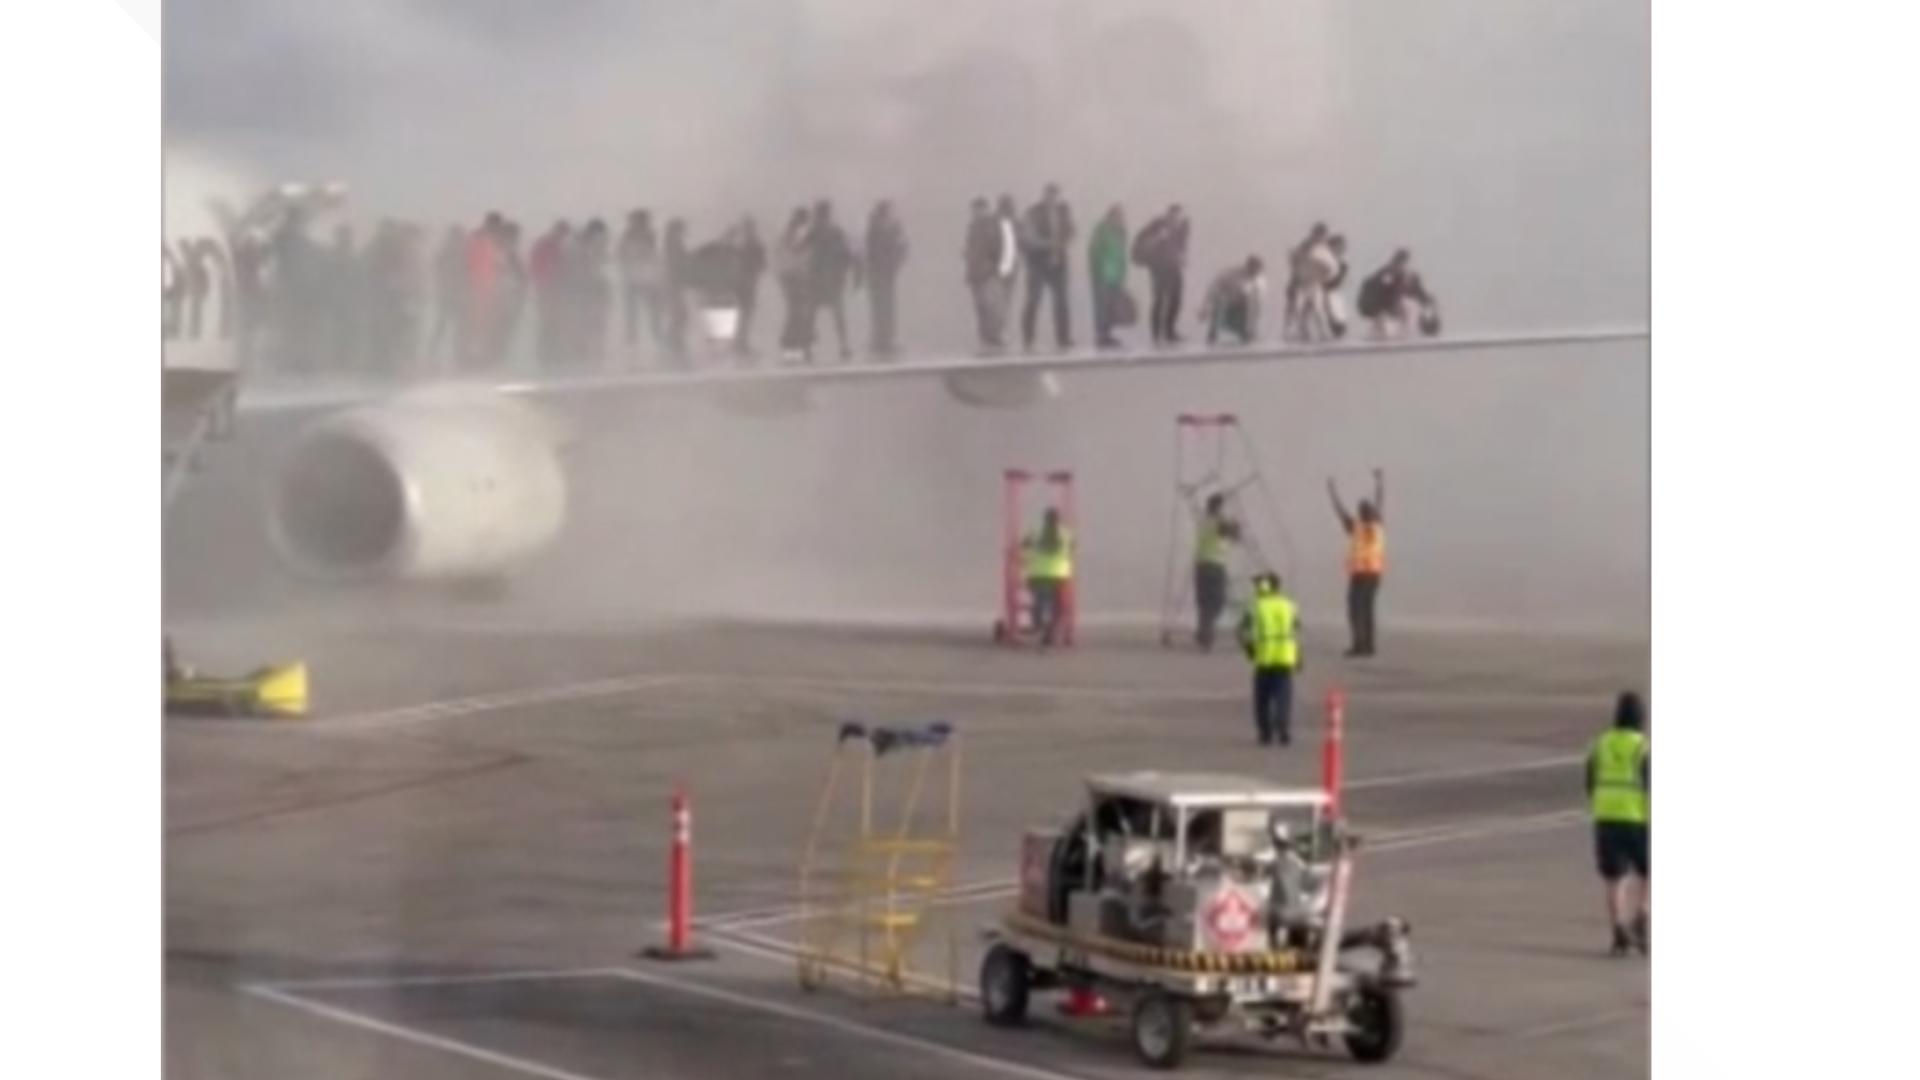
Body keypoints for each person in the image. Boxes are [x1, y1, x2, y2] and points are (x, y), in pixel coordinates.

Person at [1586, 691, 1650, 956]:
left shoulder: (1601, 744)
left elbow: (1590, 779)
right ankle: (1642, 913)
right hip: (1637, 817)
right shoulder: (1642, 747)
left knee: (1614, 878)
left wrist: (1599, 803)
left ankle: (1618, 930)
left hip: (1605, 817)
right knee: (1648, 870)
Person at [1328, 468, 1386, 657]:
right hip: (1374, 575)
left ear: (1361, 513)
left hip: (1360, 575)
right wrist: (1379, 482)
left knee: (1356, 610)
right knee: (1368, 610)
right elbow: (1380, 500)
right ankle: (1368, 645)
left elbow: (1340, 512)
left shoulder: (1357, 527)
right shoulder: (1377, 525)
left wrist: (1332, 492)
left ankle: (1359, 645)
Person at [1237, 572, 1300, 746]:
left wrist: (1249, 648)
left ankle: (1265, 732)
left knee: (1262, 699)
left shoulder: (1256, 606)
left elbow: (1241, 631)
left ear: (1264, 587)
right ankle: (1283, 728)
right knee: (1283, 696)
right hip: (1285, 658)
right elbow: (1295, 630)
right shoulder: (1289, 605)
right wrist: (1298, 655)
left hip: (1264, 658)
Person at [1020, 183, 1075, 351]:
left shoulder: (1063, 212)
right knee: (1033, 300)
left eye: (1055, 195)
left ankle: (1063, 338)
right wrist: (1049, 244)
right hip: (1038, 262)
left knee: (1062, 301)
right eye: (1049, 194)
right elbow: (1028, 237)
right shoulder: (1033, 212)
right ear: (1044, 195)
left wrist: (1064, 240)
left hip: (1058, 262)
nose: (1052, 198)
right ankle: (1028, 338)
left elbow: (1071, 231)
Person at [806, 199, 858, 363]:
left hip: (822, 280)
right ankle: (843, 346)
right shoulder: (832, 232)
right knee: (833, 315)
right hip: (828, 280)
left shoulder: (817, 232)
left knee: (815, 315)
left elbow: (799, 250)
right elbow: (848, 254)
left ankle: (810, 347)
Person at [1192, 493, 1242, 650]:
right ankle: (1206, 634)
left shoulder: (1204, 520)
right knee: (1217, 601)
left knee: (1204, 602)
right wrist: (1236, 526)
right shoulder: (1218, 522)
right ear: (1219, 507)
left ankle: (1203, 634)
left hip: (1201, 565)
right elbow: (1234, 536)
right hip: (1215, 566)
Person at [1136, 204, 1189, 346]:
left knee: (1176, 298)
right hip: (1158, 267)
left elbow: (1181, 245)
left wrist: (1182, 257)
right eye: (1175, 217)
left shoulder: (1183, 228)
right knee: (1159, 299)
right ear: (1169, 215)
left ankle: (1170, 332)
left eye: (1179, 218)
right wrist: (1158, 238)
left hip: (1173, 266)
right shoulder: (1157, 225)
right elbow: (1144, 244)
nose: (1177, 221)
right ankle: (1156, 334)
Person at [1358, 249, 1439, 339]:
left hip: (1396, 309)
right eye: (1402, 265)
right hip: (1383, 309)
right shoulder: (1386, 275)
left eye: (1406, 265)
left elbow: (1420, 293)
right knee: (1389, 328)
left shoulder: (1411, 277)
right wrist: (1381, 313)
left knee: (1410, 306)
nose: (1405, 268)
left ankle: (1407, 333)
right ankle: (1381, 331)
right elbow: (1378, 294)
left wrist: (1428, 305)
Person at [1022, 507, 1073, 647]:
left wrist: (1025, 559)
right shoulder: (1065, 533)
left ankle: (1038, 624)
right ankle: (1051, 630)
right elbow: (1071, 549)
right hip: (1059, 575)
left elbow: (1024, 545)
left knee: (1039, 602)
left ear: (1044, 519)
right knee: (1058, 605)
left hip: (1038, 574)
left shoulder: (1035, 532)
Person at [864, 200, 908, 358]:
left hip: (880, 271)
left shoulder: (877, 226)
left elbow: (870, 249)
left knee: (880, 305)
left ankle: (881, 337)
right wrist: (897, 262)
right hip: (884, 270)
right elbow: (902, 246)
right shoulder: (889, 226)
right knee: (886, 304)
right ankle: (885, 337)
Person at [617, 210, 664, 355]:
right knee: (634, 314)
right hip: (635, 279)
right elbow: (622, 257)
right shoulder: (628, 237)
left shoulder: (649, 235)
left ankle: (655, 340)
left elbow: (653, 256)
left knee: (652, 312)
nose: (642, 224)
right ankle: (633, 343)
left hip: (646, 279)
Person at [529, 220, 572, 369]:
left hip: (553, 288)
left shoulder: (554, 245)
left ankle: (551, 352)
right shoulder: (546, 244)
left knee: (553, 321)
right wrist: (545, 280)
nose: (563, 238)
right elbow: (537, 265)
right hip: (547, 288)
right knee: (548, 321)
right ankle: (546, 353)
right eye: (563, 234)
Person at [1087, 204, 1129, 349]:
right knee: (1101, 306)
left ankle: (1108, 334)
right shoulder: (1101, 230)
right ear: (1110, 216)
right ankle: (1101, 335)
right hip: (1102, 275)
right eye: (1117, 216)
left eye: (1121, 216)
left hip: (1115, 275)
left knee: (1111, 307)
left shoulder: (1121, 232)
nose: (1120, 219)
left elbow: (1122, 254)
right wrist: (1096, 271)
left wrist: (1122, 275)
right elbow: (1094, 251)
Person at [775, 206, 813, 362]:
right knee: (797, 310)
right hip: (794, 275)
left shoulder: (788, 232)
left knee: (796, 310)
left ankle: (793, 343)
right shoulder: (797, 232)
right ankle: (792, 343)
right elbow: (798, 251)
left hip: (789, 275)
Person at [1201, 256, 1266, 345]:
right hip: (1225, 300)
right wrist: (1205, 307)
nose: (1254, 272)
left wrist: (1253, 329)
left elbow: (1256, 306)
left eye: (1256, 271)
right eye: (1252, 269)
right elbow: (1213, 289)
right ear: (1247, 266)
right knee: (1220, 303)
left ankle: (1245, 332)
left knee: (1250, 306)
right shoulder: (1231, 274)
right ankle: (1213, 334)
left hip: (1241, 305)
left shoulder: (1259, 281)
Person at [963, 198, 1001, 351]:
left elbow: (996, 247)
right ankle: (985, 336)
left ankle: (993, 335)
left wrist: (994, 266)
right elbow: (970, 248)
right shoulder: (973, 227)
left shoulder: (991, 225)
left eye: (977, 210)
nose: (975, 213)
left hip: (988, 271)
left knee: (990, 304)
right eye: (974, 210)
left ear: (984, 209)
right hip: (976, 272)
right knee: (980, 306)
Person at [735, 216, 766, 358]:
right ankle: (741, 343)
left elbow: (762, 264)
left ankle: (741, 342)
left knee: (745, 312)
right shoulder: (754, 245)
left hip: (745, 282)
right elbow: (762, 264)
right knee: (746, 312)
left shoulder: (743, 245)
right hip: (747, 282)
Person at [662, 218, 691, 364]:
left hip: (674, 284)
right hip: (672, 284)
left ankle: (673, 340)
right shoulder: (673, 245)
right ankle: (672, 340)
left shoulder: (673, 245)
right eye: (680, 230)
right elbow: (677, 264)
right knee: (680, 314)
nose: (682, 233)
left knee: (680, 315)